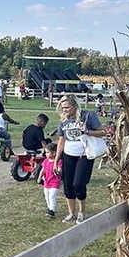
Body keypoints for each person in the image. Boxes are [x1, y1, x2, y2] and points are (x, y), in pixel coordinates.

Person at [53, 93, 105, 224]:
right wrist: (56, 160)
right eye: (63, 108)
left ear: (75, 106)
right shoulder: (64, 120)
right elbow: (61, 141)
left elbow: (102, 132)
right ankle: (71, 213)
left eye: (67, 107)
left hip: (84, 155)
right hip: (68, 155)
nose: (64, 110)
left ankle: (82, 212)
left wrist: (88, 131)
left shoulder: (88, 115)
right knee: (68, 185)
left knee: (78, 184)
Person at [38, 142, 62, 218]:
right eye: (46, 152)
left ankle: (52, 210)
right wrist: (39, 177)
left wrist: (58, 170)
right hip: (46, 182)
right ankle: (49, 208)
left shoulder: (58, 161)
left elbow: (59, 169)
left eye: (48, 152)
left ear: (54, 153)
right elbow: (43, 170)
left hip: (54, 183)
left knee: (52, 196)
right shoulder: (45, 161)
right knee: (47, 197)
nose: (46, 154)